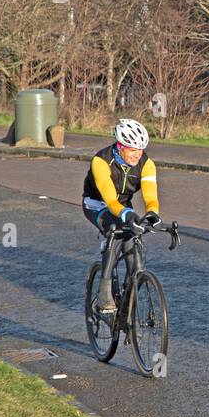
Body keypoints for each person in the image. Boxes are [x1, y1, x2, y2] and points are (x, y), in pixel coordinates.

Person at [82, 119, 161, 314]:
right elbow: (110, 200)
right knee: (114, 231)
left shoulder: (147, 164)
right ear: (120, 146)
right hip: (97, 204)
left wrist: (152, 213)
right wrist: (127, 214)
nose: (137, 154)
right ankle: (104, 290)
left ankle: (128, 298)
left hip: (123, 205)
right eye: (132, 149)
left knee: (133, 240)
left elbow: (151, 196)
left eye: (141, 149)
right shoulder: (101, 161)